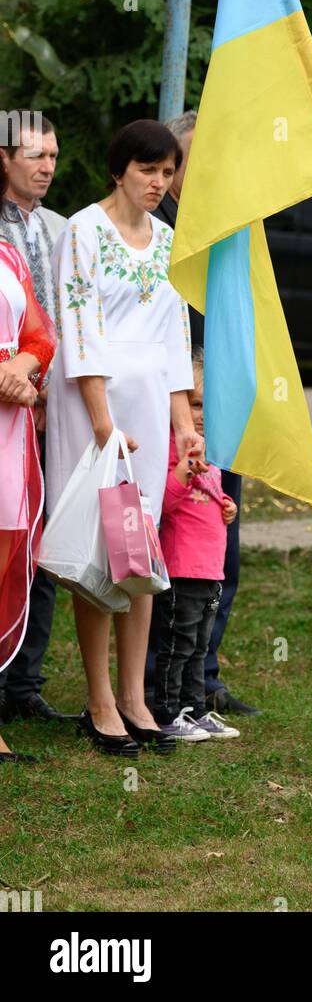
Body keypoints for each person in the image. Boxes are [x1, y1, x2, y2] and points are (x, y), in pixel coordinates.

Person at [46, 119, 204, 757]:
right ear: (119, 170)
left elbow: (172, 337)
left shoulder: (167, 239)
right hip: (94, 411)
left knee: (142, 551)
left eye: (167, 173)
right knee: (103, 549)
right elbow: (79, 329)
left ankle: (136, 697)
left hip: (147, 412)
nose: (159, 183)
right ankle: (99, 701)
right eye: (148, 171)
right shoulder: (83, 230)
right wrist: (104, 422)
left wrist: (184, 424)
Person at [149, 110, 256, 719]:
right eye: (193, 160)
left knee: (220, 544)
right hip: (175, 410)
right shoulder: (155, 230)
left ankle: (202, 676)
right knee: (173, 544)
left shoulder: (230, 230)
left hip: (225, 405)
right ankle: (165, 680)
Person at [0, 112, 71, 723]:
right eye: (34, 154)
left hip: (55, 402)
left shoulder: (57, 227)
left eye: (53, 155)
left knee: (39, 541)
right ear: (3, 157)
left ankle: (25, 682)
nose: (47, 166)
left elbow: (57, 320)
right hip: (10, 404)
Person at [153, 348, 240, 743]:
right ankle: (167, 711)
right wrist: (184, 469)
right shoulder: (173, 451)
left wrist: (227, 507)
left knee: (199, 645)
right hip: (182, 568)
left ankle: (195, 708)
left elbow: (211, 497)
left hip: (210, 570)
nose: (201, 414)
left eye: (207, 405)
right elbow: (166, 504)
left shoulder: (212, 454)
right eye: (193, 404)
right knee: (177, 645)